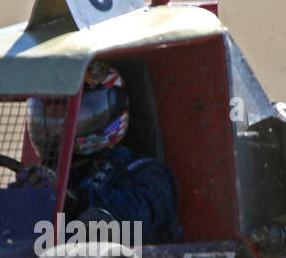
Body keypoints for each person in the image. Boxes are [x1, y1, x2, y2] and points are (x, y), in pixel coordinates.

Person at [25, 62, 180, 243]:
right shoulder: (47, 177)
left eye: (76, 113)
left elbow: (133, 221)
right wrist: (21, 196)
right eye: (52, 116)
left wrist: (73, 201)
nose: (60, 126)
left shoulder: (146, 174)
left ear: (110, 111)